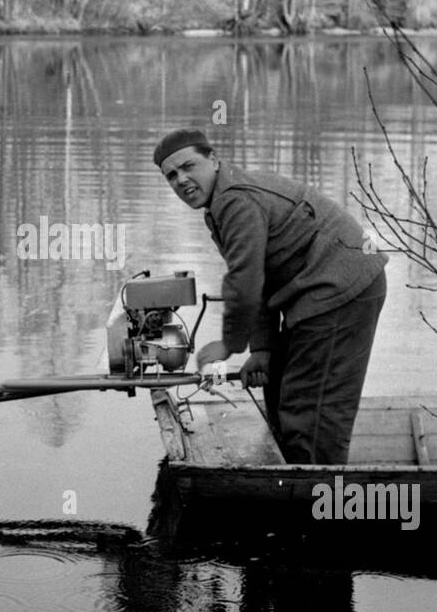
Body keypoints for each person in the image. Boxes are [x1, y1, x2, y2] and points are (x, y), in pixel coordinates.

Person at [154, 128, 387, 465]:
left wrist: (230, 345)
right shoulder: (221, 202)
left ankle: (323, 500)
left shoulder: (234, 201)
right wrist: (262, 349)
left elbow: (244, 282)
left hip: (341, 290)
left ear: (214, 160)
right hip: (315, 290)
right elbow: (259, 276)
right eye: (171, 175)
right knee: (277, 389)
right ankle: (296, 478)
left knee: (311, 414)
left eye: (189, 166)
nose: (181, 180)